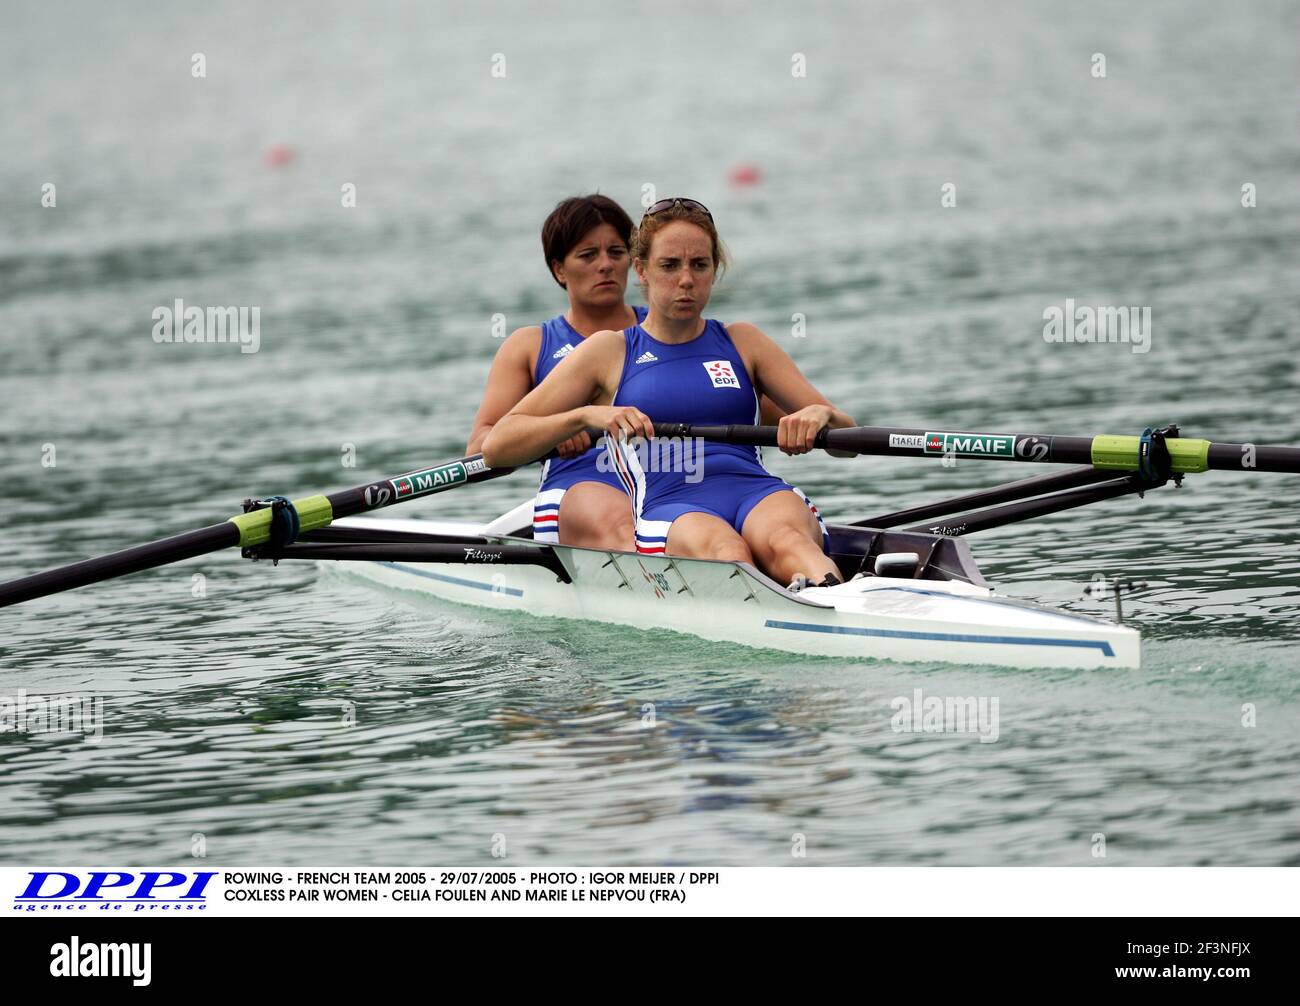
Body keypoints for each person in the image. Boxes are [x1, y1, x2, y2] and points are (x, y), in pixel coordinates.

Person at [482, 198, 856, 589]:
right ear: (641, 270)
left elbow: (847, 442)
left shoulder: (745, 341)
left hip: (755, 490)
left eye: (700, 265)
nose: (686, 280)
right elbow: (496, 446)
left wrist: (822, 417)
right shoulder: (608, 350)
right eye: (670, 266)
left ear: (715, 270)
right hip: (672, 503)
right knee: (726, 553)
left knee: (791, 541)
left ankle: (834, 599)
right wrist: (584, 417)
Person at [465, 195, 644, 548]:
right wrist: (554, 430)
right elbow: (480, 449)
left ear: (633, 261)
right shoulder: (530, 346)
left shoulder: (667, 331)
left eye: (616, 252)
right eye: (588, 255)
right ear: (559, 269)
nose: (605, 265)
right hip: (576, 492)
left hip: (667, 482)